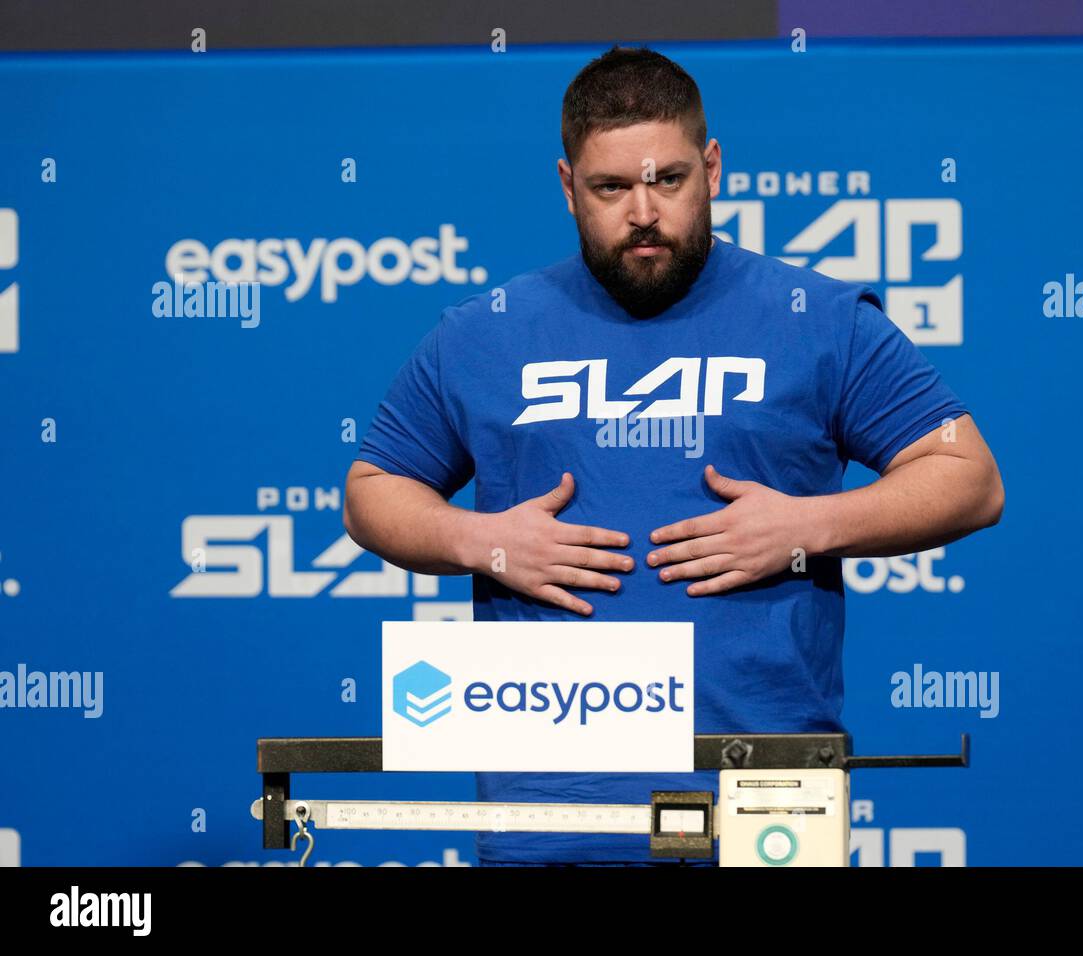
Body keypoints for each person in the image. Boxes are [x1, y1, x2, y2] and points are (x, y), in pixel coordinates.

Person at [344, 45, 1004, 866]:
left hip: (768, 799)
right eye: (611, 188)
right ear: (566, 186)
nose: (644, 211)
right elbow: (373, 487)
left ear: (714, 168)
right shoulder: (486, 332)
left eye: (669, 180)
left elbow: (968, 476)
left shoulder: (818, 319)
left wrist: (806, 525)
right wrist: (479, 540)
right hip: (550, 808)